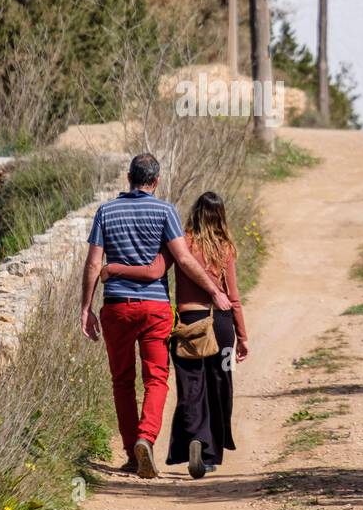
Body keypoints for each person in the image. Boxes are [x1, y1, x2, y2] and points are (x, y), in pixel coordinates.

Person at [80, 154, 231, 480]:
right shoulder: (165, 211)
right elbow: (184, 259)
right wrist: (215, 290)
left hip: (116, 306)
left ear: (128, 178)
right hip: (155, 309)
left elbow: (94, 264)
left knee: (122, 381)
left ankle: (131, 455)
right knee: (155, 379)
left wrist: (85, 308)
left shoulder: (106, 211)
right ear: (156, 181)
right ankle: (145, 438)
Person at [101, 191, 247, 480]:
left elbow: (154, 270)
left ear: (193, 213)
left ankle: (195, 437)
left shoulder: (183, 242)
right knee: (220, 386)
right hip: (220, 323)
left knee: (191, 387)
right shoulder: (225, 247)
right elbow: (233, 296)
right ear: (222, 216)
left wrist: (113, 268)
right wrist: (242, 335)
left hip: (187, 323)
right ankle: (210, 454)